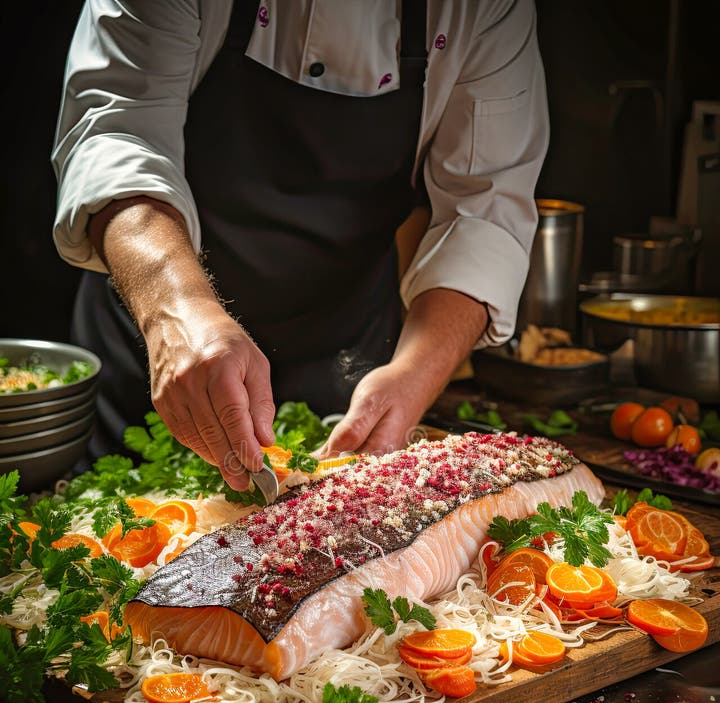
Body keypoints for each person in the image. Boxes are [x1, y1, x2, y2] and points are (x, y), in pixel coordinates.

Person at [52, 0, 549, 490]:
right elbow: (117, 135)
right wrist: (175, 310)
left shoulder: (487, 7)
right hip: (158, 331)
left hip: (348, 351)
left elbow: (484, 210)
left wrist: (416, 376)